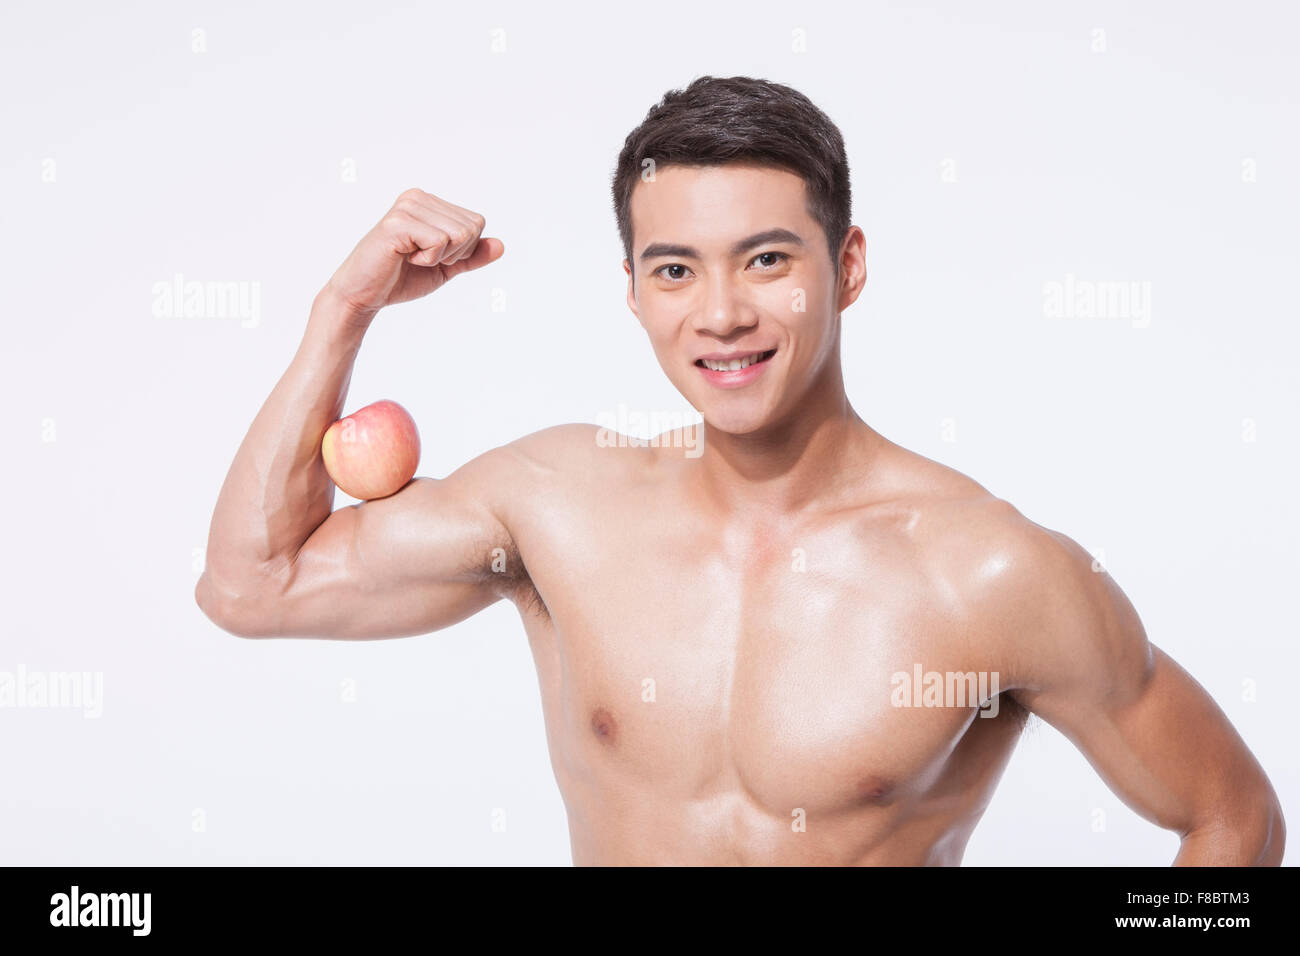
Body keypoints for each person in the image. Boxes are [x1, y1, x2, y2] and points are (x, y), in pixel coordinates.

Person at [195, 75, 1284, 865]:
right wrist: (340, 314)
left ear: (845, 264)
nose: (720, 313)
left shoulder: (991, 572)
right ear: (633, 290)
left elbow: (1231, 818)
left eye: (766, 258)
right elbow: (252, 585)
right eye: (675, 269)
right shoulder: (557, 505)